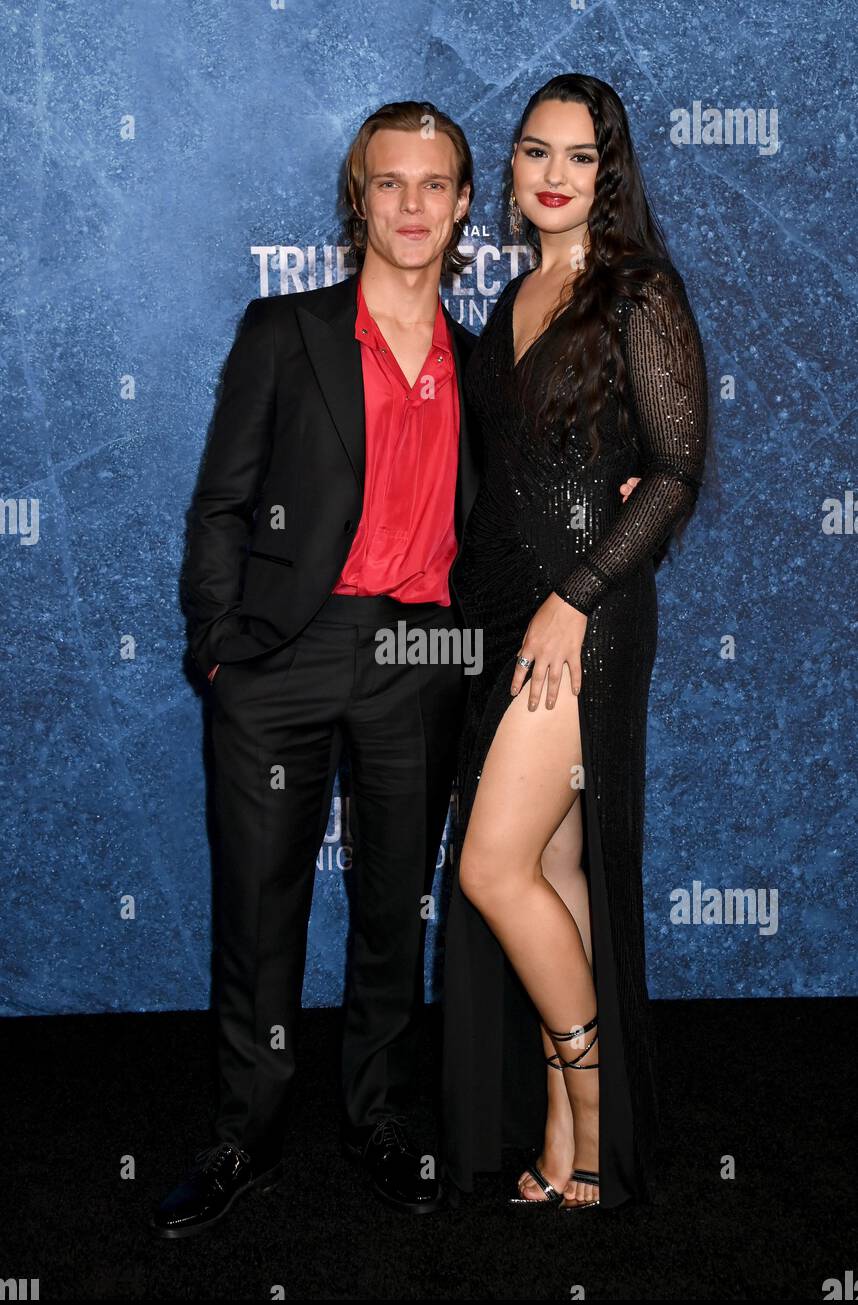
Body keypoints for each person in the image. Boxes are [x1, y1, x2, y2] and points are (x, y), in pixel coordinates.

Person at [152, 100, 481, 1237]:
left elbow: (520, 513)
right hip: (282, 655)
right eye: (389, 183)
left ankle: (379, 1118)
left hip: (419, 653)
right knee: (259, 906)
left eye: (433, 184)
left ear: (464, 206)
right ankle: (246, 1133)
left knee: (396, 906)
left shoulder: (478, 366)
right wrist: (216, 648)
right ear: (360, 197)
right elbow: (221, 504)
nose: (411, 205)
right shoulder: (284, 330)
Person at [441, 73, 709, 1211]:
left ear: (613, 172)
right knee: (550, 867)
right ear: (511, 169)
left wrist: (580, 596)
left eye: (580, 156)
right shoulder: (511, 301)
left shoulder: (635, 291)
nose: (553, 174)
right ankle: (572, 1147)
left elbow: (679, 468)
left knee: (492, 866)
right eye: (533, 152)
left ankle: (597, 1109)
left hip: (582, 623)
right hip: (511, 616)